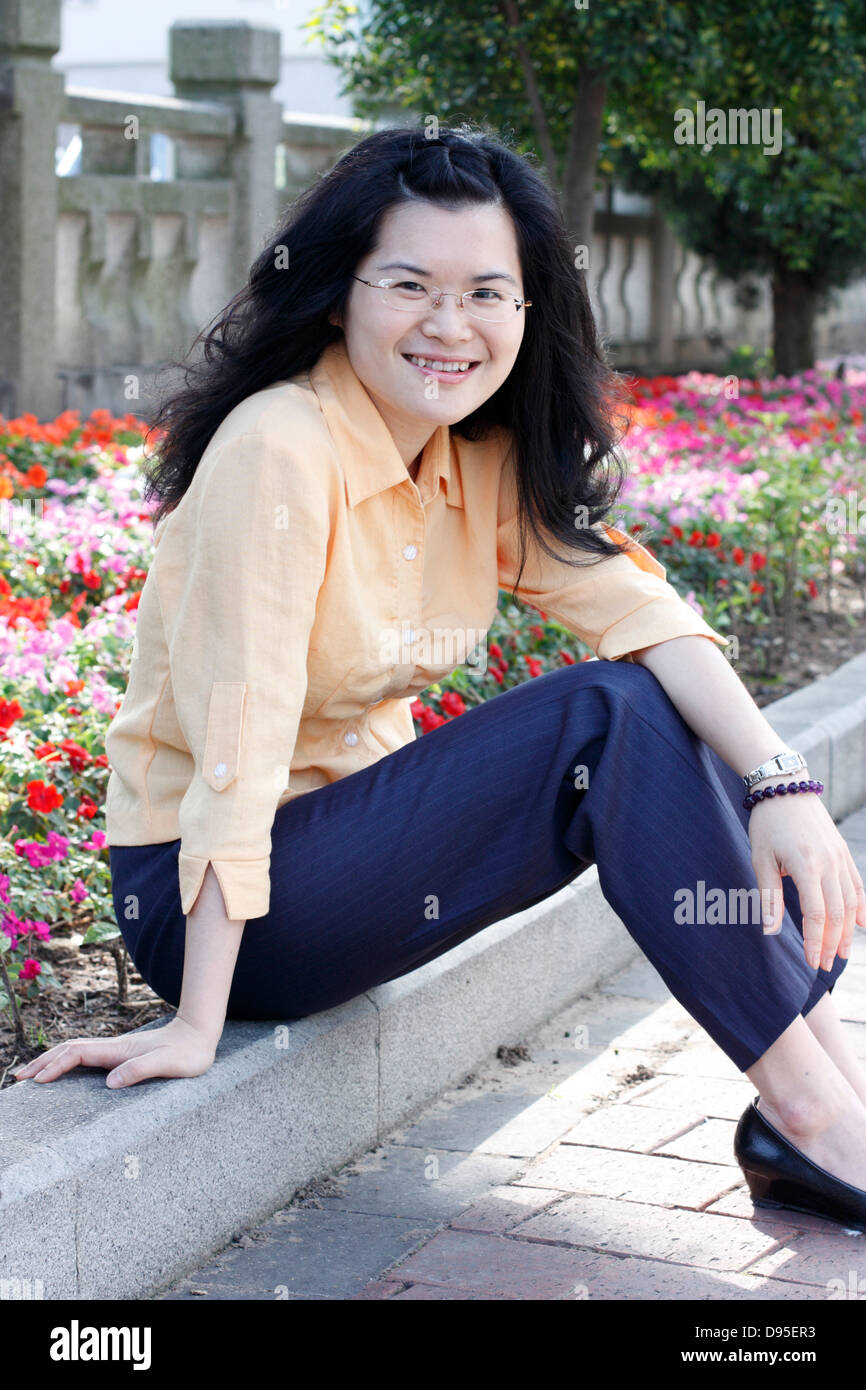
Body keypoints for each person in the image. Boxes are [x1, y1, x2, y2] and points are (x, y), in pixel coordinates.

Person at [12, 124, 866, 1232]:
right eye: (410, 285)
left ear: (526, 310)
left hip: (338, 863)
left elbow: (638, 610)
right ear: (336, 296)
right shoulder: (282, 446)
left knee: (652, 691)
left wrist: (784, 784)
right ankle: (807, 1112)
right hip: (209, 904)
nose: (448, 325)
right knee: (605, 714)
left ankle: (827, 1097)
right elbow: (238, 730)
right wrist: (195, 1019)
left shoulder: (475, 458)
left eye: (484, 293)